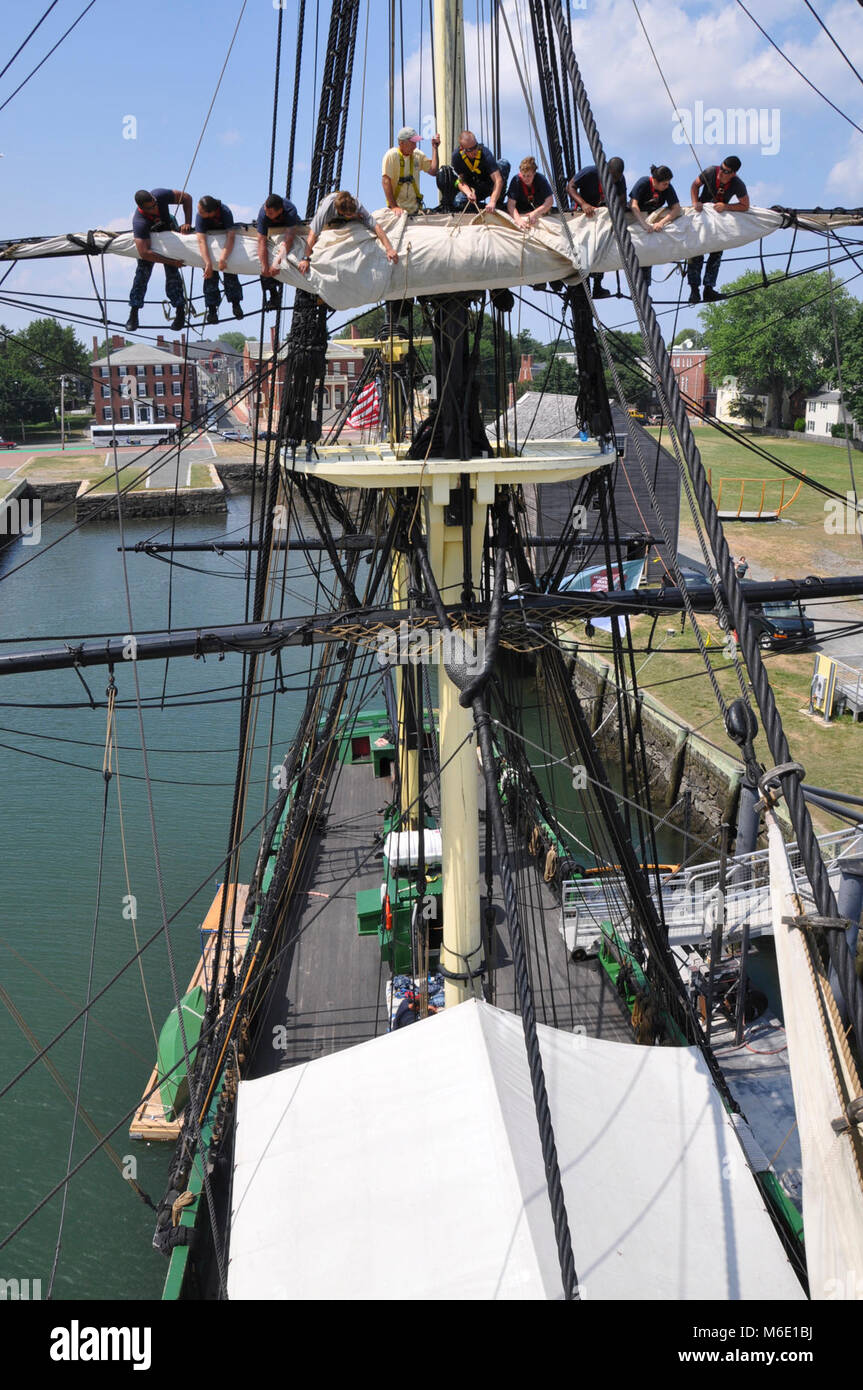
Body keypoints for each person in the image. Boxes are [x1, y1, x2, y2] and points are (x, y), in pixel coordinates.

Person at [126, 187, 192, 332]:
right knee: (142, 273)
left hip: (168, 230)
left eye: (155, 203)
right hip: (150, 242)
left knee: (173, 274)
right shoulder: (140, 222)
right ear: (142, 208)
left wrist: (187, 223)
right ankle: (134, 312)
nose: (156, 208)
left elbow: (186, 198)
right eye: (151, 207)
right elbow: (145, 253)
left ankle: (180, 311)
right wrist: (170, 261)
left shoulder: (160, 195)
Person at [687, 156, 749, 303]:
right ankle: (694, 290)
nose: (721, 172)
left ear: (733, 174)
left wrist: (726, 206)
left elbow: (745, 205)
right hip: (702, 215)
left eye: (726, 171)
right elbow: (695, 185)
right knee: (696, 252)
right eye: (721, 168)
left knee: (716, 253)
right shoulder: (710, 172)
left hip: (719, 220)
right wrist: (695, 202)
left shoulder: (738, 184)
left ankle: (708, 289)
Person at [297, 190, 399, 276]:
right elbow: (312, 234)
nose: (353, 214)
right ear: (340, 212)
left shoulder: (357, 205)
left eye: (353, 213)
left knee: (363, 221)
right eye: (350, 214)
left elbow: (377, 227)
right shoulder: (326, 209)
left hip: (350, 215)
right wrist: (305, 258)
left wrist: (389, 249)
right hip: (330, 218)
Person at [566, 156, 626, 298]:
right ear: (606, 170)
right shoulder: (591, 172)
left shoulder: (620, 179)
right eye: (612, 177)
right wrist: (583, 204)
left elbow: (622, 200)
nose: (614, 181)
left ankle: (597, 286)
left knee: (603, 245)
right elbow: (570, 187)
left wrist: (617, 211)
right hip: (584, 214)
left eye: (616, 179)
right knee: (584, 246)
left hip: (602, 216)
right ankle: (581, 285)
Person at [629, 164, 683, 287]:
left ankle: (644, 288)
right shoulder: (643, 183)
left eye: (668, 183)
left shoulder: (668, 188)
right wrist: (643, 224)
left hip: (653, 221)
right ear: (655, 181)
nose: (667, 186)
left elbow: (676, 208)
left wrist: (661, 223)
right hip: (636, 218)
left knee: (648, 256)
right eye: (664, 184)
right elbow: (633, 205)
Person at [195, 195, 244, 324]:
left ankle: (236, 304)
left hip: (225, 247)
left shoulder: (225, 212)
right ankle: (212, 311)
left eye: (201, 211)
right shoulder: (200, 216)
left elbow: (231, 236)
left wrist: (223, 258)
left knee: (231, 274)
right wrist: (208, 263)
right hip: (209, 249)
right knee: (209, 278)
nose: (199, 214)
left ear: (212, 213)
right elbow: (201, 240)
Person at [440, 130, 509, 212]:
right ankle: (483, 208)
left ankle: (498, 203)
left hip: (489, 184)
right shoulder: (457, 157)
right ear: (462, 149)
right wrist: (468, 193)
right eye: (470, 149)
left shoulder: (485, 153)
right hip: (475, 189)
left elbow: (498, 180)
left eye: (476, 146)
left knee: (503, 163)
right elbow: (460, 181)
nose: (475, 151)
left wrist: (492, 201)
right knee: (458, 202)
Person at [381, 126, 441, 215]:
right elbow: (386, 181)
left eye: (415, 142)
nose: (415, 146)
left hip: (415, 210)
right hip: (398, 210)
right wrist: (394, 206)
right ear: (402, 143)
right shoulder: (392, 155)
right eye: (412, 143)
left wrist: (435, 148)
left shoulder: (417, 155)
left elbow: (433, 171)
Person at [256, 193, 301, 311]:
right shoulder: (263, 213)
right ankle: (273, 293)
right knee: (263, 264)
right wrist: (265, 266)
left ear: (280, 210)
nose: (267, 214)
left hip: (288, 231)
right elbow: (261, 241)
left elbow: (289, 239)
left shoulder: (290, 210)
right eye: (266, 211)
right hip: (271, 234)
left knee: (298, 256)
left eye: (270, 213)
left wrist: (277, 262)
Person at [506, 156, 554, 229]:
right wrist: (518, 220)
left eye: (529, 176)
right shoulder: (516, 181)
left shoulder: (541, 180)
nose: (526, 179)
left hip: (537, 209)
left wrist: (535, 213)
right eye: (523, 175)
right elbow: (511, 205)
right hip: (520, 210)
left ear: (534, 173)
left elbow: (550, 201)